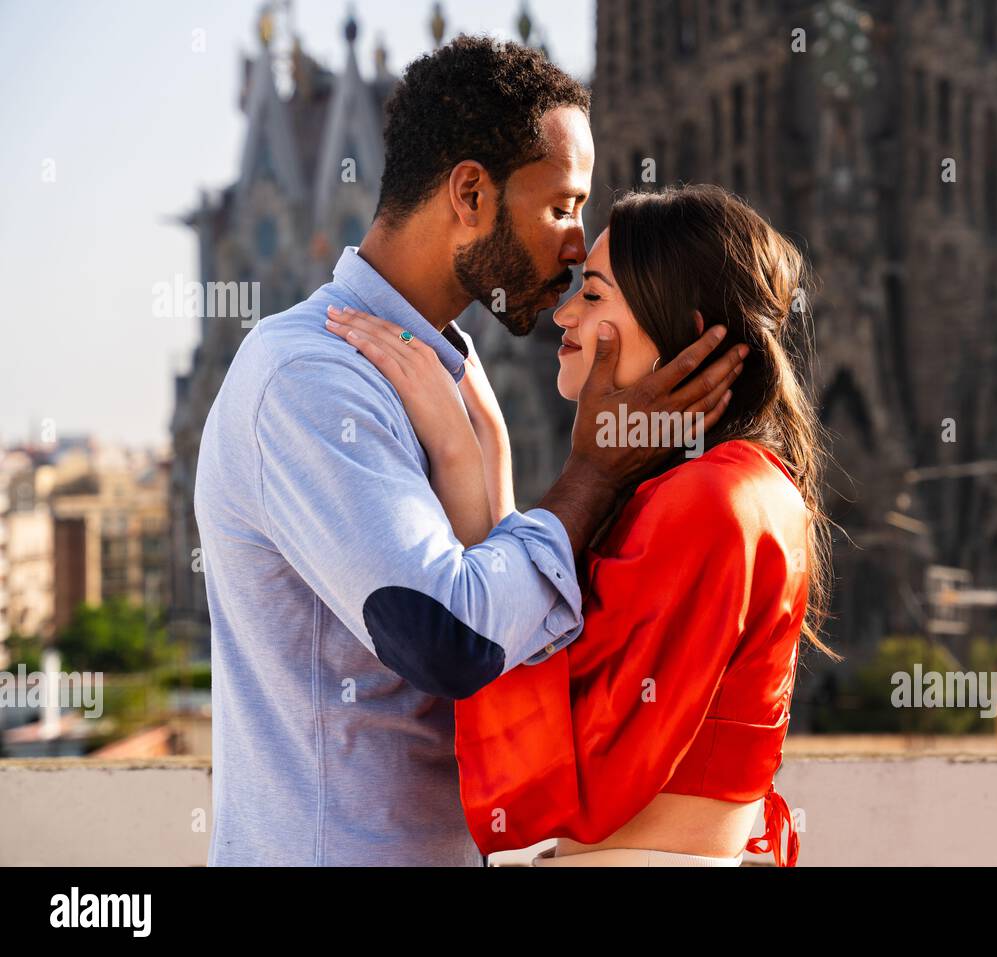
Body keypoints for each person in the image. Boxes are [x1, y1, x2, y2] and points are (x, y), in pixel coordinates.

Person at [194, 38, 743, 866]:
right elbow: (445, 633)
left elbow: (515, 646)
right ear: (472, 193)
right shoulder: (308, 376)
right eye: (562, 205)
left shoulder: (447, 376)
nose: (576, 243)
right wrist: (592, 474)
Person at [326, 184, 839, 866]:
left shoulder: (714, 497)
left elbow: (579, 761)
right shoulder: (715, 485)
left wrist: (457, 452)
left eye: (593, 294)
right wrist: (489, 456)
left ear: (677, 324)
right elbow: (551, 660)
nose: (564, 312)